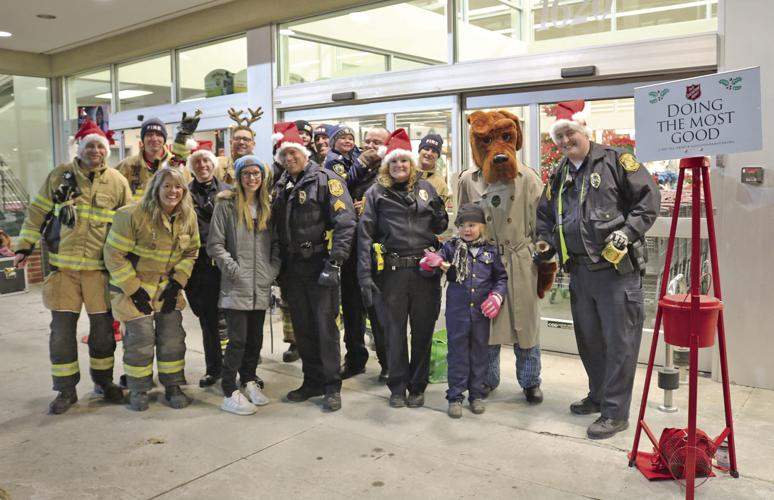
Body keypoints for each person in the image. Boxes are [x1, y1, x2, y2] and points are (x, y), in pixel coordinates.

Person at [536, 104, 659, 439]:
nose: (565, 141)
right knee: (590, 341)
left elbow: (648, 201)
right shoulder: (560, 173)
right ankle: (600, 395)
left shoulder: (617, 161)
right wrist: (545, 241)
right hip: (580, 271)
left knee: (619, 343)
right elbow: (545, 214)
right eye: (559, 137)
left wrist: (628, 232)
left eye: (570, 133)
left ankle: (615, 413)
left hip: (616, 272)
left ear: (583, 132)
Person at [14, 118, 132, 414]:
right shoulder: (60, 176)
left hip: (100, 273)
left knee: (103, 332)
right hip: (63, 272)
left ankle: (103, 382)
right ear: (80, 149)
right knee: (62, 333)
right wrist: (24, 245)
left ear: (106, 151)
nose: (95, 151)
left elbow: (129, 223)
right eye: (90, 146)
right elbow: (37, 211)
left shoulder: (118, 182)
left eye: (100, 147)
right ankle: (65, 390)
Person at [457, 109, 553, 405]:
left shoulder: (527, 177)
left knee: (526, 325)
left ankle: (530, 381)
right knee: (486, 324)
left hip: (521, 259)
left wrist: (545, 262)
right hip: (484, 261)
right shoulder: (468, 180)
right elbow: (462, 221)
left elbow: (543, 222)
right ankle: (487, 379)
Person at [358, 128, 448, 409]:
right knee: (394, 333)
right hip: (391, 274)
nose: (399, 165)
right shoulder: (376, 193)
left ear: (411, 163)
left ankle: (417, 387)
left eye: (404, 161)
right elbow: (364, 236)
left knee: (423, 331)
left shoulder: (427, 189)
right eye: (394, 161)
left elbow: (439, 227)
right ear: (387, 165)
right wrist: (364, 276)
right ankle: (397, 386)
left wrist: (440, 212)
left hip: (424, 273)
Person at [272, 122, 356, 412]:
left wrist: (335, 262)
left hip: (321, 265)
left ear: (304, 153)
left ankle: (331, 386)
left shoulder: (326, 180)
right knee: (303, 328)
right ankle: (312, 381)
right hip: (293, 269)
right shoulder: (281, 185)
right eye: (284, 155)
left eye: (293, 153)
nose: (289, 158)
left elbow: (345, 222)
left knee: (325, 329)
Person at [104, 167, 200, 411]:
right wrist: (133, 289)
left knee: (172, 339)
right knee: (140, 339)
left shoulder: (188, 217)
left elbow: (191, 252)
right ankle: (138, 388)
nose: (172, 191)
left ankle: (173, 385)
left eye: (178, 186)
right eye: (167, 186)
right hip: (133, 289)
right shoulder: (131, 215)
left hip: (166, 289)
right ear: (156, 188)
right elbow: (113, 255)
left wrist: (177, 283)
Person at [208, 155, 280, 416]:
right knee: (237, 340)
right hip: (237, 284)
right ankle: (229, 390)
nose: (252, 178)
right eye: (247, 173)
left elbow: (276, 244)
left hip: (260, 284)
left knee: (254, 340)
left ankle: (248, 380)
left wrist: (272, 270)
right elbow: (215, 244)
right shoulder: (225, 205)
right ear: (238, 177)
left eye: (256, 173)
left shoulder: (267, 206)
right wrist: (233, 270)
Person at [420, 203, 507, 418]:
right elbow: (429, 268)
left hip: (481, 314)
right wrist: (430, 263)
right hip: (457, 313)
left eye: (472, 225)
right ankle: (455, 396)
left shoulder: (491, 251)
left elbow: (501, 278)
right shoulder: (450, 248)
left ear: (482, 227)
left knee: (479, 354)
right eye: (462, 225)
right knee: (457, 354)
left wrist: (497, 296)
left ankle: (476, 395)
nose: (467, 230)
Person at [339, 127, 390, 382]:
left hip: (376, 251)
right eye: (367, 141)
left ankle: (387, 362)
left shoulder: (390, 172)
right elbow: (337, 194)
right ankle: (355, 359)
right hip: (350, 249)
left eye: (376, 142)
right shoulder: (353, 169)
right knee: (351, 309)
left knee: (378, 310)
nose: (369, 145)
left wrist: (370, 208)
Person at [185, 145, 229, 388]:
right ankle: (214, 369)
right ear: (191, 167)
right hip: (198, 265)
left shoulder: (229, 192)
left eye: (206, 161)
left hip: (225, 262)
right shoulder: (183, 193)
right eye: (197, 162)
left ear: (213, 165)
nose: (202, 166)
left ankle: (235, 366)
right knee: (206, 318)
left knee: (232, 318)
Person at [117, 117, 171, 201]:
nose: (154, 138)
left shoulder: (175, 165)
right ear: (143, 139)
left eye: (159, 134)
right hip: (135, 209)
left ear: (164, 139)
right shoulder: (127, 165)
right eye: (149, 134)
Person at [417, 133, 450, 205]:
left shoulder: (441, 185)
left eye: (434, 151)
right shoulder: (406, 175)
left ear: (438, 156)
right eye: (426, 149)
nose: (429, 153)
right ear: (419, 150)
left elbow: (442, 210)